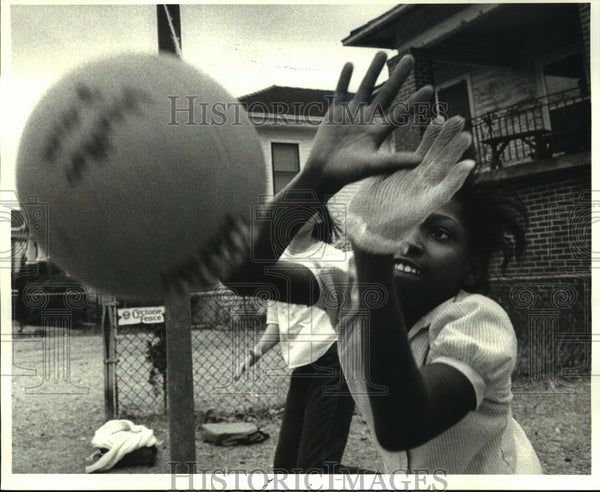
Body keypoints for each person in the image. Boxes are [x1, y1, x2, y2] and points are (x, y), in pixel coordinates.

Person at [199, 51, 542, 474]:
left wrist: (375, 248)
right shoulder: (349, 292)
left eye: (439, 233)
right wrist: (317, 178)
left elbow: (403, 424)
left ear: (470, 269)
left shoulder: (477, 322)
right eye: (404, 219)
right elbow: (243, 275)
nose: (410, 238)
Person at [234, 215, 355, 473]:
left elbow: (354, 309)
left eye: (307, 208)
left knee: (315, 468)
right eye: (295, 207)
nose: (299, 214)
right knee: (284, 468)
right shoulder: (276, 263)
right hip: (302, 367)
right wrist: (254, 353)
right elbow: (276, 323)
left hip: (333, 360)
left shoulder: (334, 258)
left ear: (319, 217)